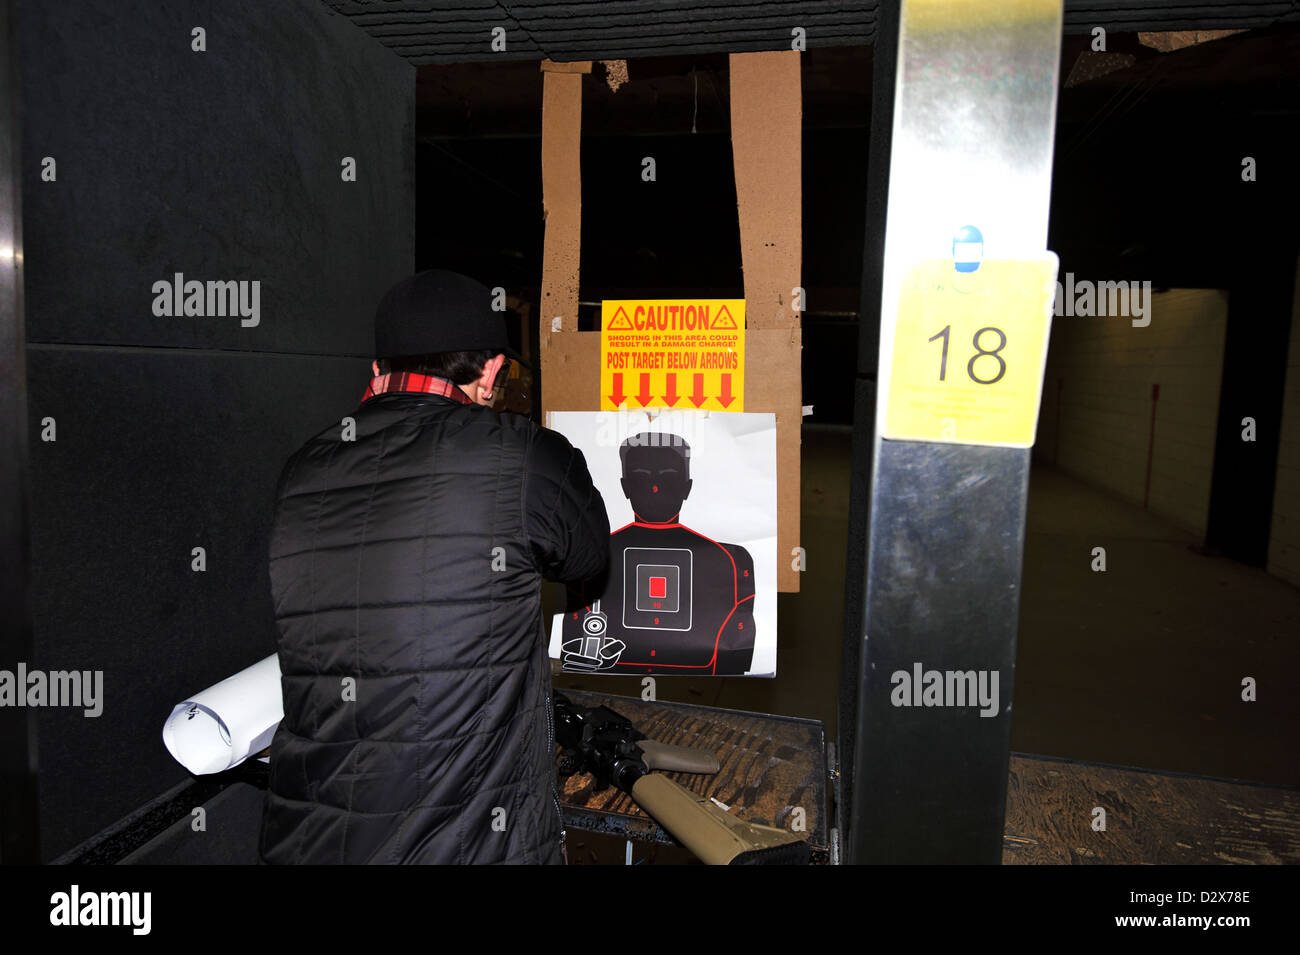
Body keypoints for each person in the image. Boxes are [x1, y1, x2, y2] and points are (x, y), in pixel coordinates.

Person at [259, 269, 609, 864]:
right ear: (493, 371)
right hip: (467, 845)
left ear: (376, 374)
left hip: (308, 838)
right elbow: (587, 556)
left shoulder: (302, 468)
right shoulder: (522, 454)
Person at [560, 431, 755, 676]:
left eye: (668, 479)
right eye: (641, 478)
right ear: (625, 486)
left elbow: (737, 654)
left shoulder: (729, 561)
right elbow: (573, 644)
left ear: (687, 487)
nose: (654, 487)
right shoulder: (592, 552)